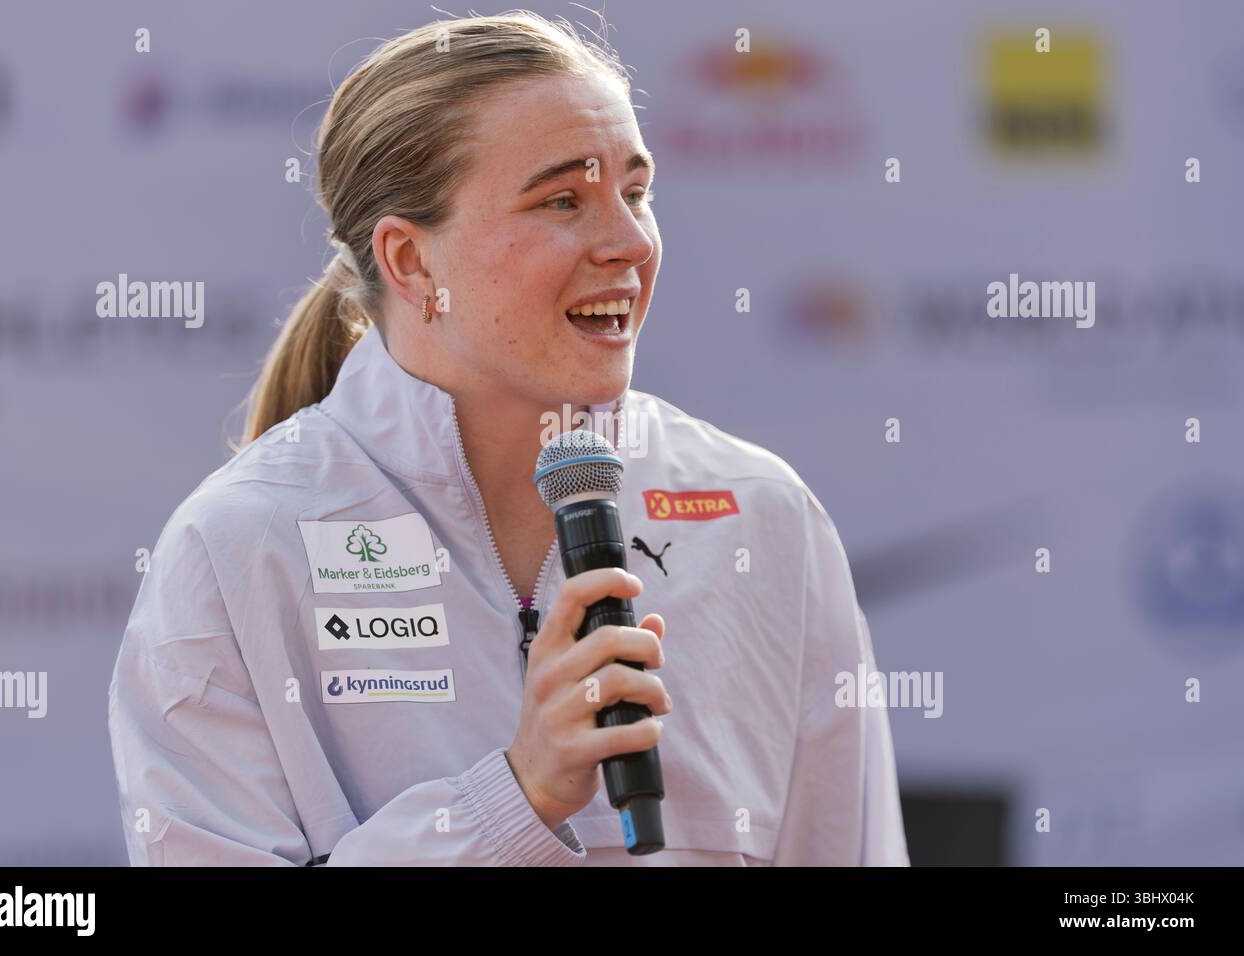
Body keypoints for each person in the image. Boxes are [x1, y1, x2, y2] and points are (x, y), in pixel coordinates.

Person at [106, 10, 909, 866]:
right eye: (563, 200)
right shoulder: (236, 549)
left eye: (634, 193)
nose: (631, 244)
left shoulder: (759, 516)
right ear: (413, 264)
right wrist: (515, 799)